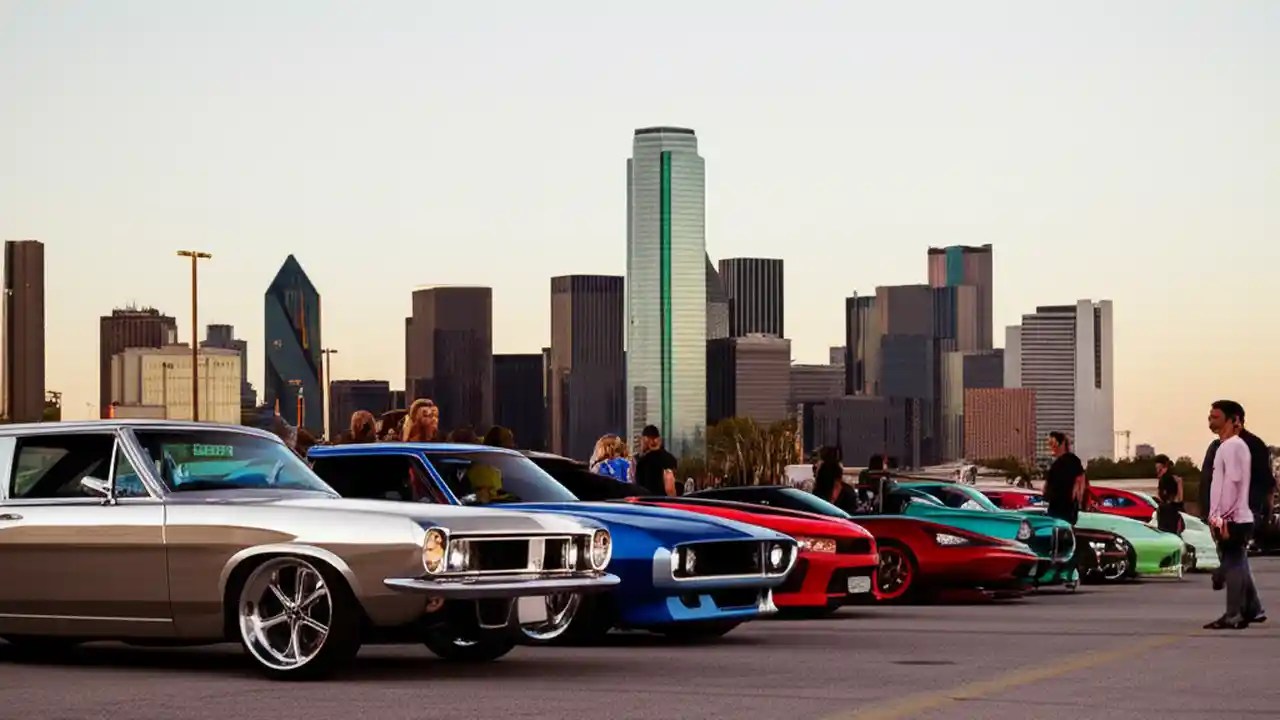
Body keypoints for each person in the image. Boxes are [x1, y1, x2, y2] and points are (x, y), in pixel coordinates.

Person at [1205, 399, 1265, 629]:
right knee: (1235, 562)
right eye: (1210, 416)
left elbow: (1234, 484)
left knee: (1233, 564)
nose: (1210, 420)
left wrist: (1225, 519)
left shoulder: (1233, 447)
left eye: (1216, 417)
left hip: (1235, 517)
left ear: (1233, 420)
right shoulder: (1224, 446)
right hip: (1232, 516)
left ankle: (1234, 614)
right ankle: (1248, 610)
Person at [1044, 431, 1086, 525]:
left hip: (1066, 506)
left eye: (1053, 443)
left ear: (1062, 443)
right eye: (1050, 444)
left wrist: (1078, 497)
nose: (1052, 447)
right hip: (1055, 506)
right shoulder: (1055, 464)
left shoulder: (1072, 460)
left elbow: (1080, 480)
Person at [635, 425, 678, 496]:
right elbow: (670, 488)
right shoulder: (671, 459)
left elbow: (638, 489)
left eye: (641, 440)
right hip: (664, 501)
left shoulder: (642, 462)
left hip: (646, 501)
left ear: (646, 440)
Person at [1154, 454, 1185, 534]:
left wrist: (1179, 485)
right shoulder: (1164, 480)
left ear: (1165, 467)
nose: (1157, 471)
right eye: (1157, 469)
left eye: (1159, 469)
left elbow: (1177, 500)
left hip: (1169, 516)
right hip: (1166, 515)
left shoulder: (1168, 479)